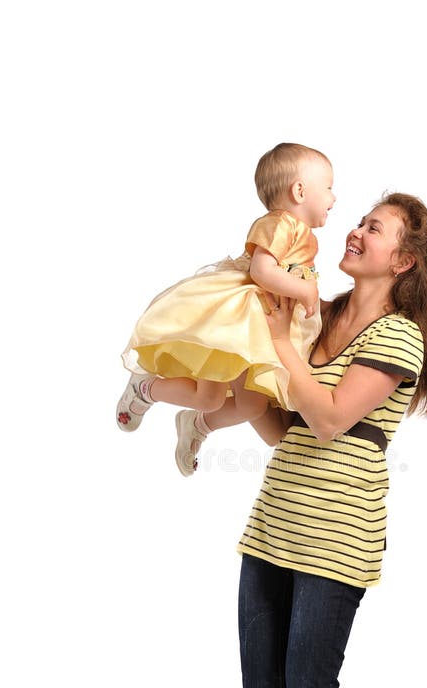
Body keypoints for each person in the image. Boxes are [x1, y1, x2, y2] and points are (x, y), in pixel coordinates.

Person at [190, 191, 427, 688]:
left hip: (338, 530)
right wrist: (239, 388)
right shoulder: (320, 317)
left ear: (405, 260)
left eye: (375, 227)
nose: (356, 231)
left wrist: (276, 342)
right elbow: (285, 429)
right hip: (277, 520)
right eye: (359, 220)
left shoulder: (399, 335)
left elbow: (331, 418)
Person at [116, 142, 335, 475]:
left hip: (257, 329)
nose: (334, 198)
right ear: (300, 191)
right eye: (329, 188)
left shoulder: (299, 231)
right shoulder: (282, 224)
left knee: (252, 404)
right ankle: (146, 388)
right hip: (235, 321)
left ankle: (197, 425)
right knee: (211, 397)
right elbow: (263, 270)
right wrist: (305, 288)